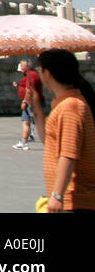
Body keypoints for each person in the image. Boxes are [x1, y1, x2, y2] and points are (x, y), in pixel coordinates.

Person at [26, 48, 95, 212]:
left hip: (75, 199)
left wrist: (57, 195)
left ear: (47, 73)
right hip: (70, 198)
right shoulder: (66, 104)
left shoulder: (70, 107)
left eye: (39, 69)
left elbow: (68, 154)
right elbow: (49, 142)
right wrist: (36, 107)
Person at [14, 60, 44, 151]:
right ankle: (23, 142)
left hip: (32, 103)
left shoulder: (31, 75)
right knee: (26, 122)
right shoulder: (28, 75)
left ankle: (50, 142)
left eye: (21, 65)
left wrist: (25, 102)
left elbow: (29, 90)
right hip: (31, 102)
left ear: (26, 66)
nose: (20, 67)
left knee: (37, 123)